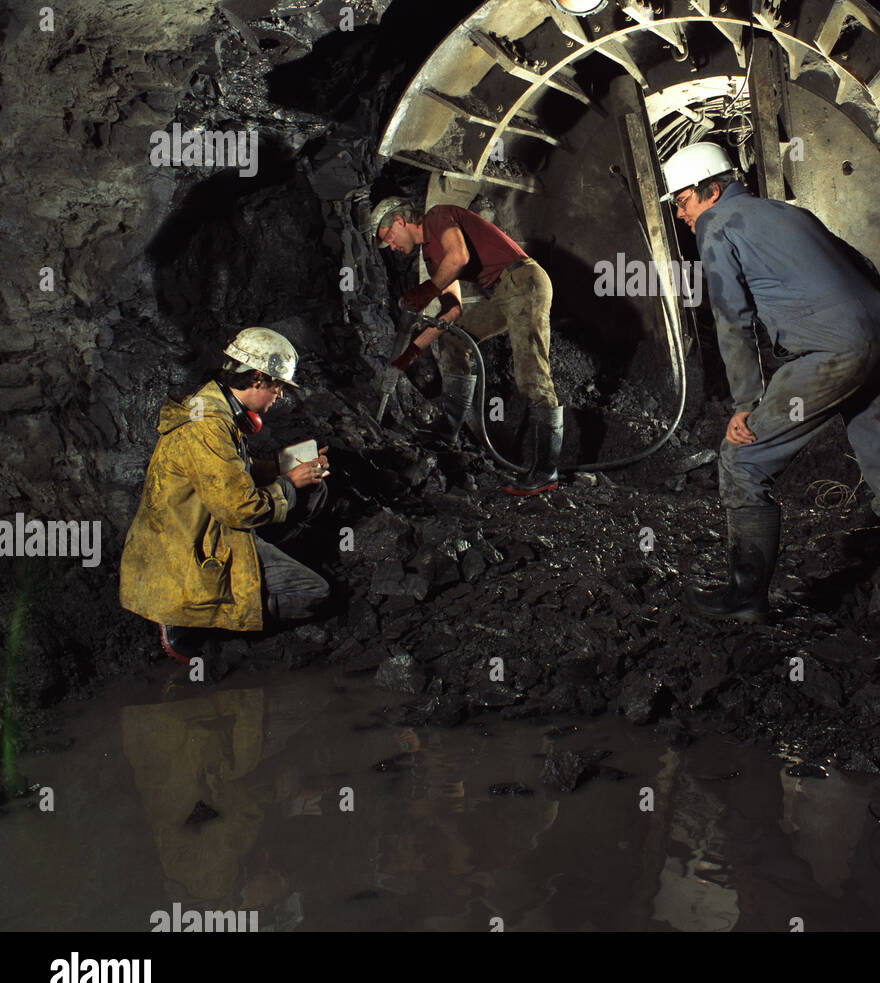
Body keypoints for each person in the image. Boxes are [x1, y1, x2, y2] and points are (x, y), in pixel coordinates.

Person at [660, 142, 880, 642]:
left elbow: (731, 320)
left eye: (682, 201)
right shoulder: (792, 213)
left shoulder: (717, 225)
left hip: (831, 354)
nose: (681, 215)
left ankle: (746, 599)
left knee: (743, 461)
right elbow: (865, 266)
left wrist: (746, 404)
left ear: (712, 191)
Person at [119, 328, 330, 662]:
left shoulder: (216, 406)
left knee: (315, 489)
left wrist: (284, 466)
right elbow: (240, 509)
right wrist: (288, 481)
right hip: (191, 546)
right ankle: (188, 618)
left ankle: (262, 569)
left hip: (209, 521)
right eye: (277, 386)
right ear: (258, 378)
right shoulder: (209, 427)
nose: (279, 396)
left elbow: (229, 477)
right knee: (314, 592)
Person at [371, 196, 563, 496]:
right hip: (503, 292)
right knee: (453, 336)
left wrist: (426, 290)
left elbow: (459, 256)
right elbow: (451, 312)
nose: (391, 246)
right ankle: (447, 432)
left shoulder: (437, 217)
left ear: (399, 221)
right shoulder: (432, 258)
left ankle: (546, 470)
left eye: (389, 238)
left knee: (530, 374)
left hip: (524, 280)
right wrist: (408, 355)